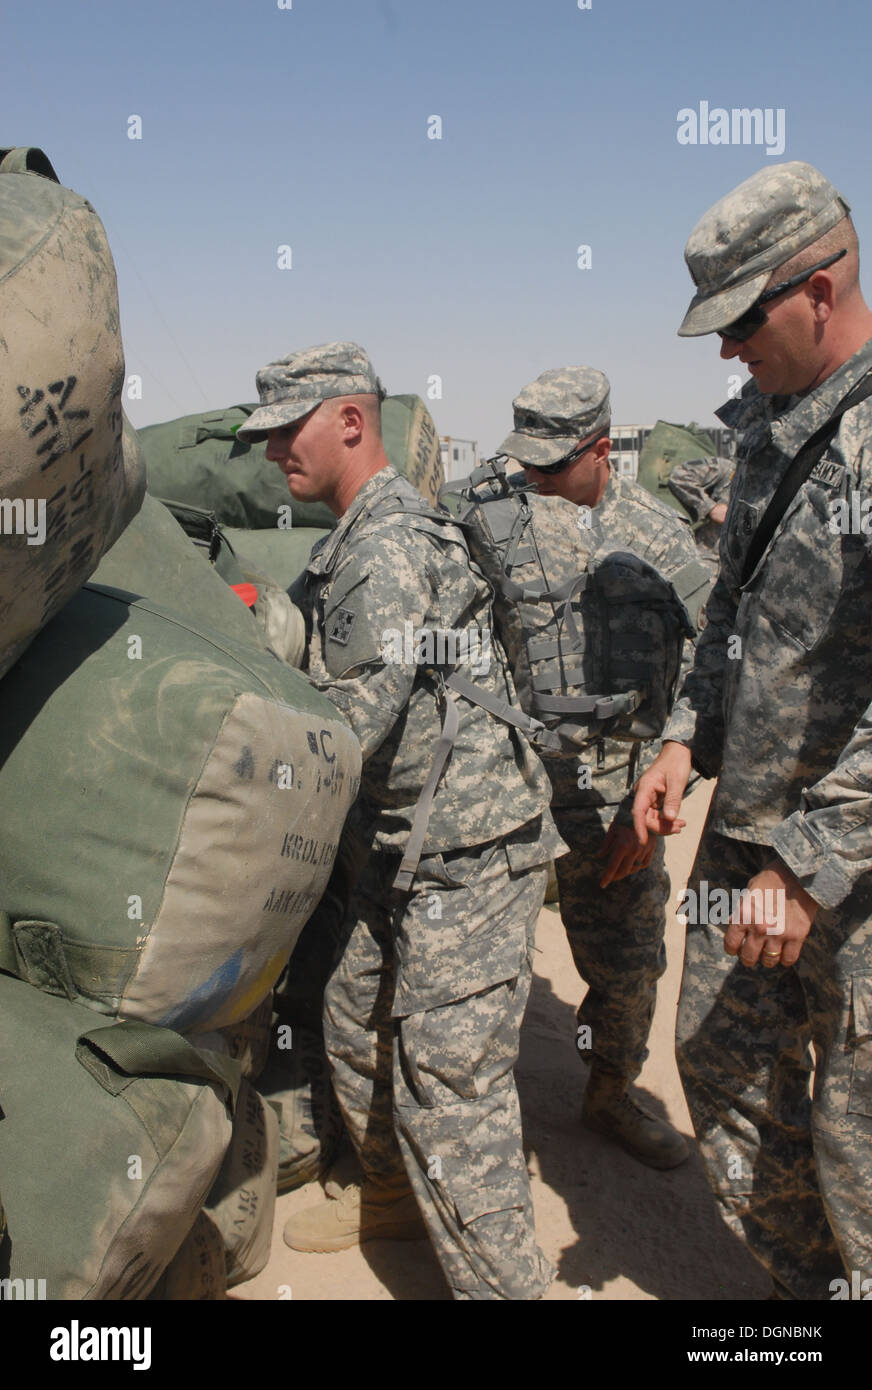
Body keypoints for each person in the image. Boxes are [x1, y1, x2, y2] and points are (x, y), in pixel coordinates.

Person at [236, 342, 566, 1300]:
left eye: (285, 433)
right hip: (397, 842)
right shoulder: (344, 544)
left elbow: (345, 729)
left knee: (450, 1091)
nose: (270, 456)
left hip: (469, 849)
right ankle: (390, 1197)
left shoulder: (386, 546)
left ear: (350, 421)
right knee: (347, 1015)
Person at [632, 161, 872, 1300]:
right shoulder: (767, 430)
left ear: (817, 292)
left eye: (741, 321)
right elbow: (730, 609)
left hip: (843, 867)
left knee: (854, 1139)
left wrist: (808, 862)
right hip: (749, 844)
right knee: (718, 1067)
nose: (727, 350)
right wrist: (685, 736)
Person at [497, 366, 701, 1169]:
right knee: (478, 959)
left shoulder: (659, 544)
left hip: (614, 800)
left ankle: (609, 1096)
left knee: (626, 967)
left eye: (552, 464)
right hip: (511, 787)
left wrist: (646, 807)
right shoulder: (501, 524)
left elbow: (704, 681)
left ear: (601, 448)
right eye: (527, 462)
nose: (535, 479)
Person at [666, 454, 735, 577]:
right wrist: (710, 507)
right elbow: (679, 475)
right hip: (706, 565)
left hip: (738, 573)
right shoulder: (728, 469)